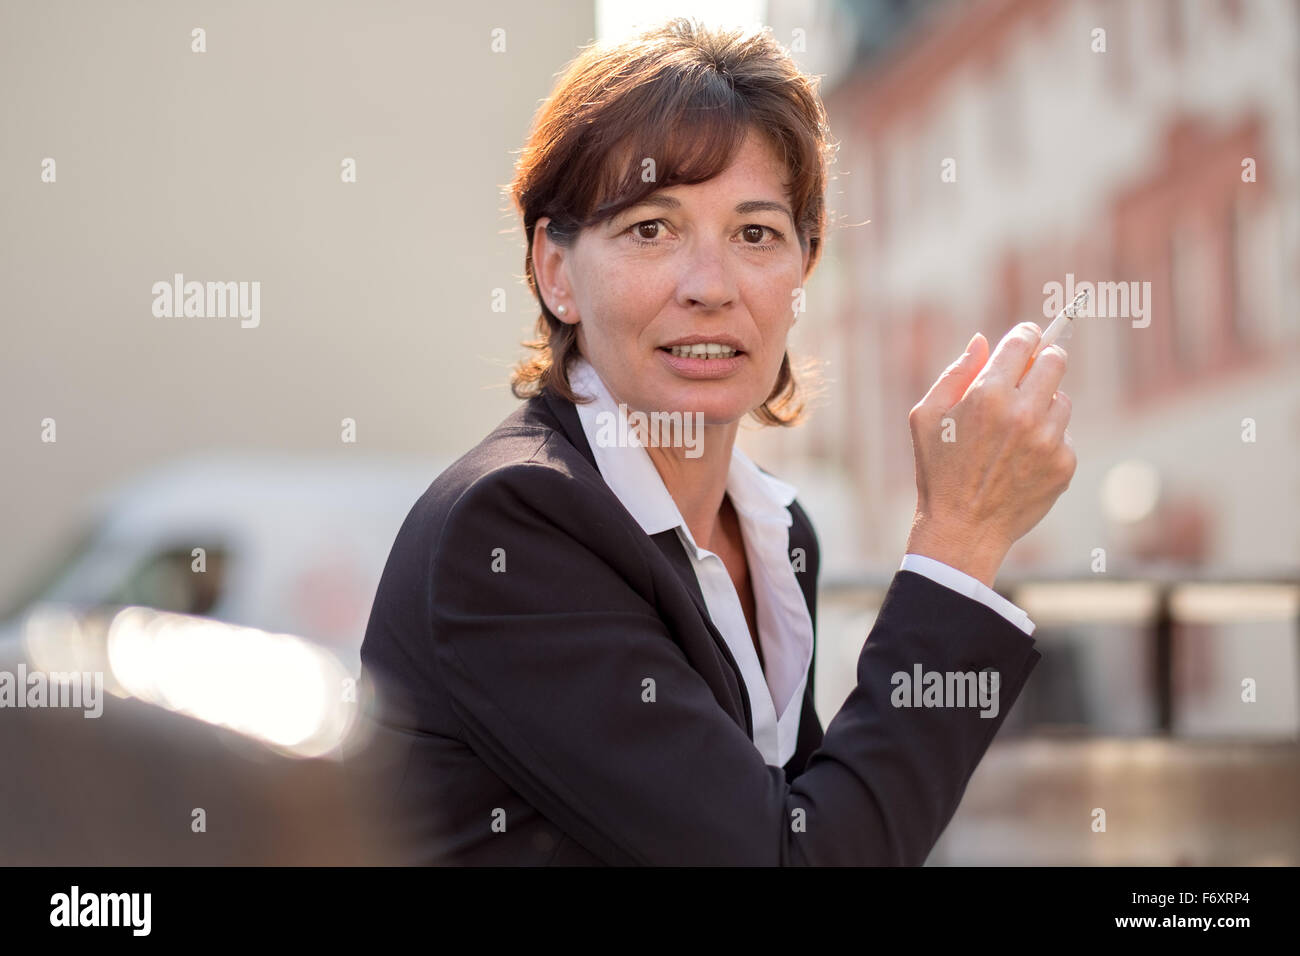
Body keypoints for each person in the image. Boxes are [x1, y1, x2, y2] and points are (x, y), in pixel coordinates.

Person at [355, 17, 1075, 865]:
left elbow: (807, 816)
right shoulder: (515, 525)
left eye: (756, 234)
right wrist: (959, 538)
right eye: (651, 229)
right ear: (556, 272)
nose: (711, 287)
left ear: (803, 271)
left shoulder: (776, 531)